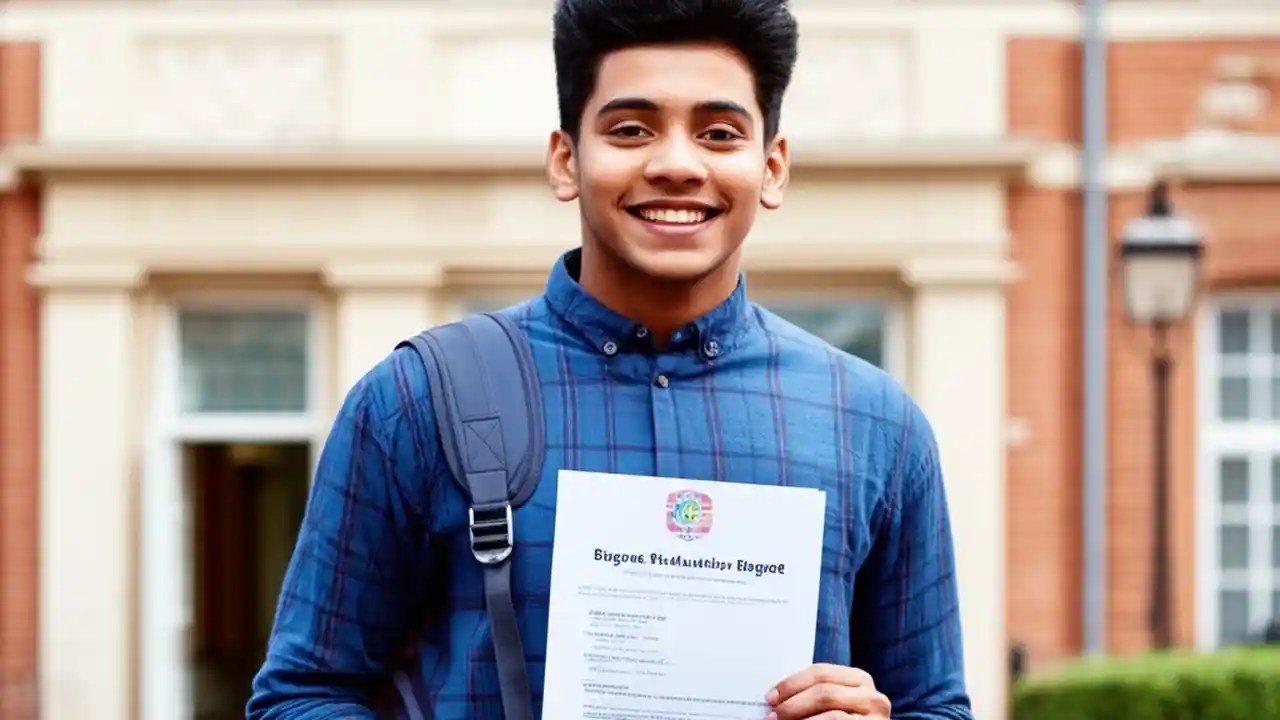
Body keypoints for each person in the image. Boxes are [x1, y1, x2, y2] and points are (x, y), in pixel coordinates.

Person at [247, 1, 973, 718]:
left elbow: (934, 705)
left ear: (772, 167)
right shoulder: (417, 398)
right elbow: (302, 694)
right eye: (631, 130)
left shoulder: (874, 423)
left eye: (719, 134)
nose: (677, 164)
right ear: (566, 160)